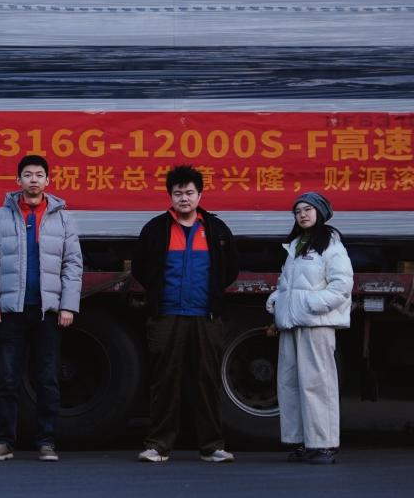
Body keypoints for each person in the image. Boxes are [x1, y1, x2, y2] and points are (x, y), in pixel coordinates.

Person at [131, 164, 239, 463]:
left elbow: (230, 268)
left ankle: (212, 446)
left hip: (206, 317)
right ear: (170, 196)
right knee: (165, 381)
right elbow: (141, 267)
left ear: (199, 195)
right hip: (166, 316)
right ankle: (158, 446)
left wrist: (212, 297)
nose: (184, 198)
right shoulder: (156, 229)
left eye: (189, 193)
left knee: (207, 381)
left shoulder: (216, 229)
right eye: (178, 193)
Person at [0, 155, 83, 462]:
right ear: (18, 180)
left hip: (47, 311)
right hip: (11, 310)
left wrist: (67, 306)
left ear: (48, 180)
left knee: (47, 378)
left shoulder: (62, 218)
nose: (33, 179)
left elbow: (73, 264)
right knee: (6, 379)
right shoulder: (0, 217)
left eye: (39, 175)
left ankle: (46, 442)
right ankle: (3, 442)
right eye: (28, 174)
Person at [265, 192, 353, 465]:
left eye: (308, 209)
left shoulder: (331, 244)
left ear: (320, 213)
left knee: (318, 385)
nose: (302, 214)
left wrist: (308, 305)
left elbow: (342, 286)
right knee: (291, 385)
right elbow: (286, 284)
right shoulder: (295, 244)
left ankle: (325, 445)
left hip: (316, 324)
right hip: (292, 324)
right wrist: (278, 304)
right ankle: (304, 442)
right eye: (298, 211)